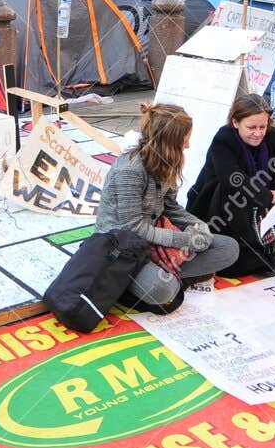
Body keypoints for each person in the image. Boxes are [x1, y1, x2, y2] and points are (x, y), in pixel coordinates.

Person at [94, 103, 239, 308]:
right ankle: (149, 278)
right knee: (162, 289)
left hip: (155, 238)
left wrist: (200, 226)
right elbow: (132, 228)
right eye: (185, 140)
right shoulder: (129, 171)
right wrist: (183, 240)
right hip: (123, 247)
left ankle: (166, 270)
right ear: (169, 141)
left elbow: (170, 206)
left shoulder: (167, 161)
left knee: (229, 248)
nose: (188, 145)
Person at [186, 94, 275, 277]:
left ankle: (271, 248)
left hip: (256, 199)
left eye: (262, 127)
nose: (258, 133)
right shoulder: (223, 141)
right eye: (251, 127)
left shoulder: (272, 136)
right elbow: (234, 179)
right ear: (235, 122)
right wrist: (267, 195)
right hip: (219, 208)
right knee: (237, 190)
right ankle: (251, 252)